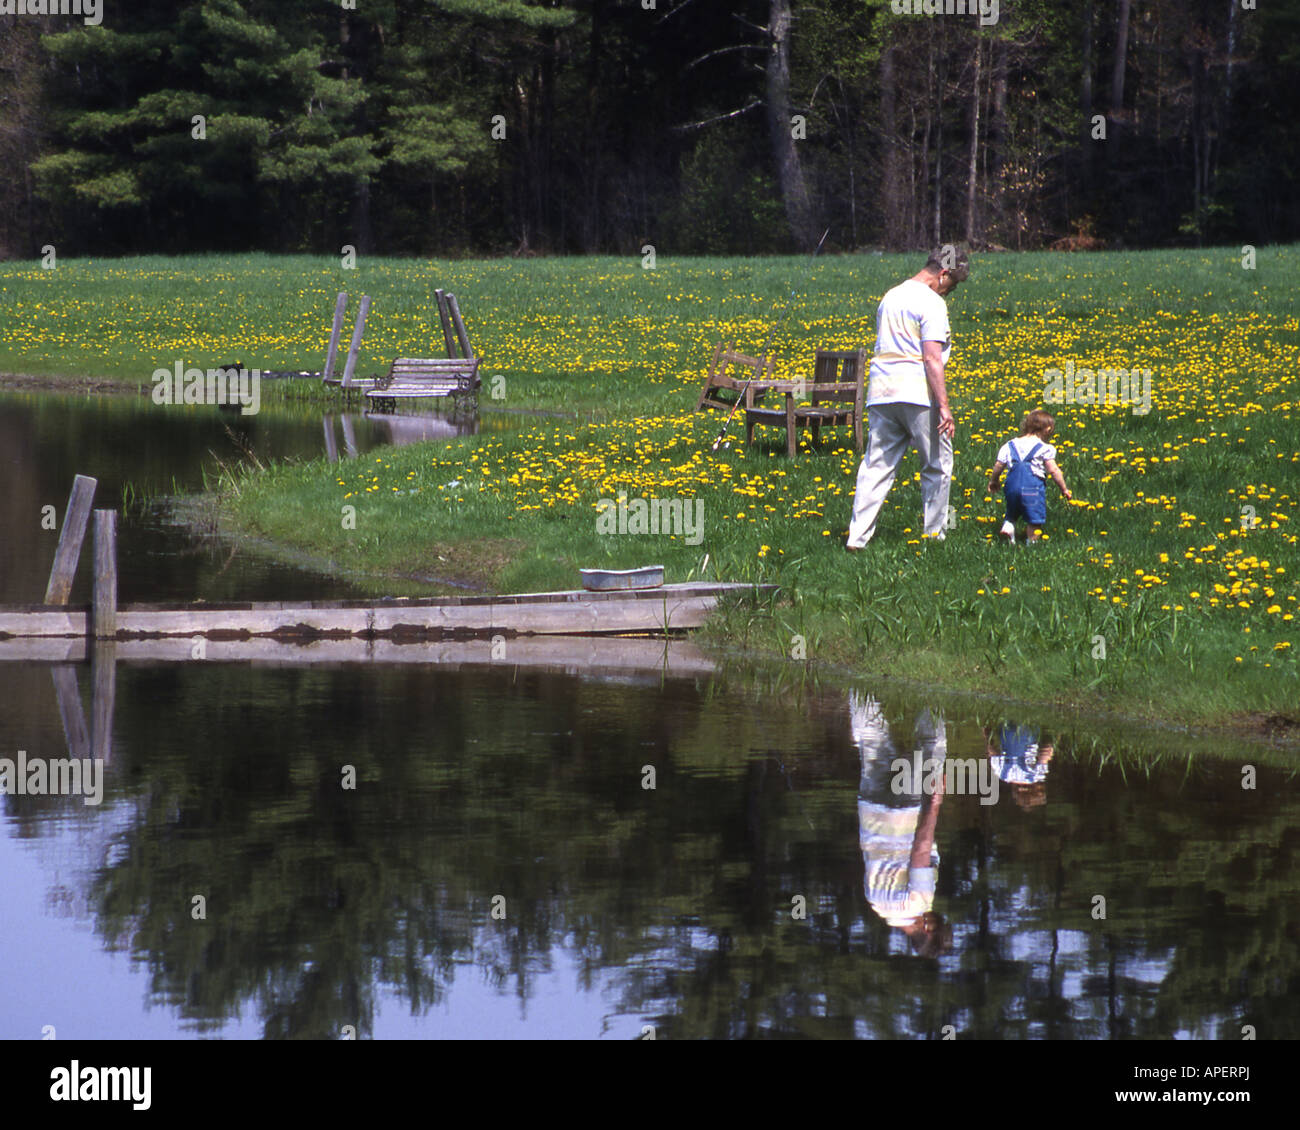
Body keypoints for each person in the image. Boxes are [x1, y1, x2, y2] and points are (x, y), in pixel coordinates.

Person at [846, 246, 968, 549]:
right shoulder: (932, 303)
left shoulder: (891, 296)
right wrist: (944, 407)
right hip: (917, 393)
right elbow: (931, 358)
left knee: (876, 466)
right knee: (936, 464)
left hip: (882, 391)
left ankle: (856, 539)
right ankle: (933, 536)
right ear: (942, 275)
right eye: (951, 286)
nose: (949, 293)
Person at [850, 692, 953, 957]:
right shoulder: (876, 904)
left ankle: (931, 686)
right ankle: (860, 686)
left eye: (936, 918)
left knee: (930, 749)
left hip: (905, 815)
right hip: (871, 808)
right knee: (873, 741)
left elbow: (920, 851)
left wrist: (935, 804)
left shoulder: (919, 902)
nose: (933, 912)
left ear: (928, 928)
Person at [986, 409, 1072, 543]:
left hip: (1011, 487)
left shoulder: (1009, 445)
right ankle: (1032, 544)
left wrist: (994, 481)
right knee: (1034, 519)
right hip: (1032, 488)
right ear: (1048, 429)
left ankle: (1008, 527)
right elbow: (1054, 470)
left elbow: (998, 465)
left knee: (1012, 512)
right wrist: (1064, 489)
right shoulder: (1045, 448)